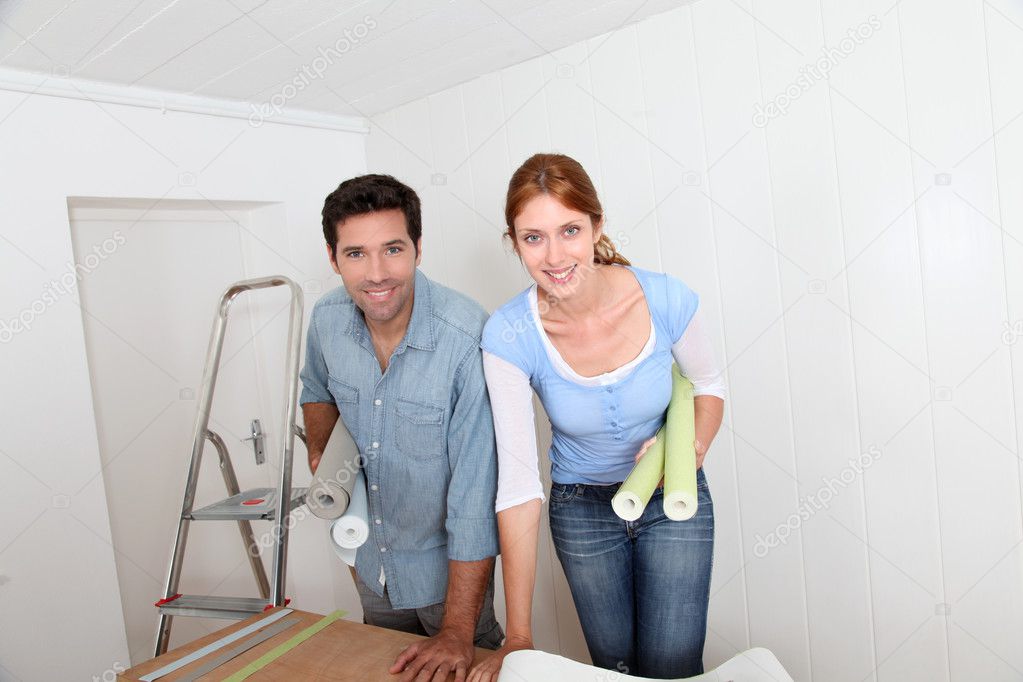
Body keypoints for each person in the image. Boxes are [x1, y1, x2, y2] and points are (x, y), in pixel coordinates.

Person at [467, 154, 727, 681]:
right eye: (533, 237)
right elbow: (518, 485)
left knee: (673, 666)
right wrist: (518, 637)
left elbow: (708, 385)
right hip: (582, 509)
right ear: (514, 243)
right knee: (615, 668)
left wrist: (687, 450)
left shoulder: (665, 298)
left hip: (672, 497)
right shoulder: (509, 335)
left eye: (570, 230)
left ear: (597, 226)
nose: (556, 254)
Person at [300, 174, 504, 682]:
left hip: (449, 584)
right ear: (333, 258)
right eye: (355, 254)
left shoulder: (466, 338)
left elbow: (474, 497)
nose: (376, 273)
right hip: (371, 564)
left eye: (392, 249)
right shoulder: (326, 321)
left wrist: (457, 632)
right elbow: (316, 389)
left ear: (417, 247)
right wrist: (327, 463)